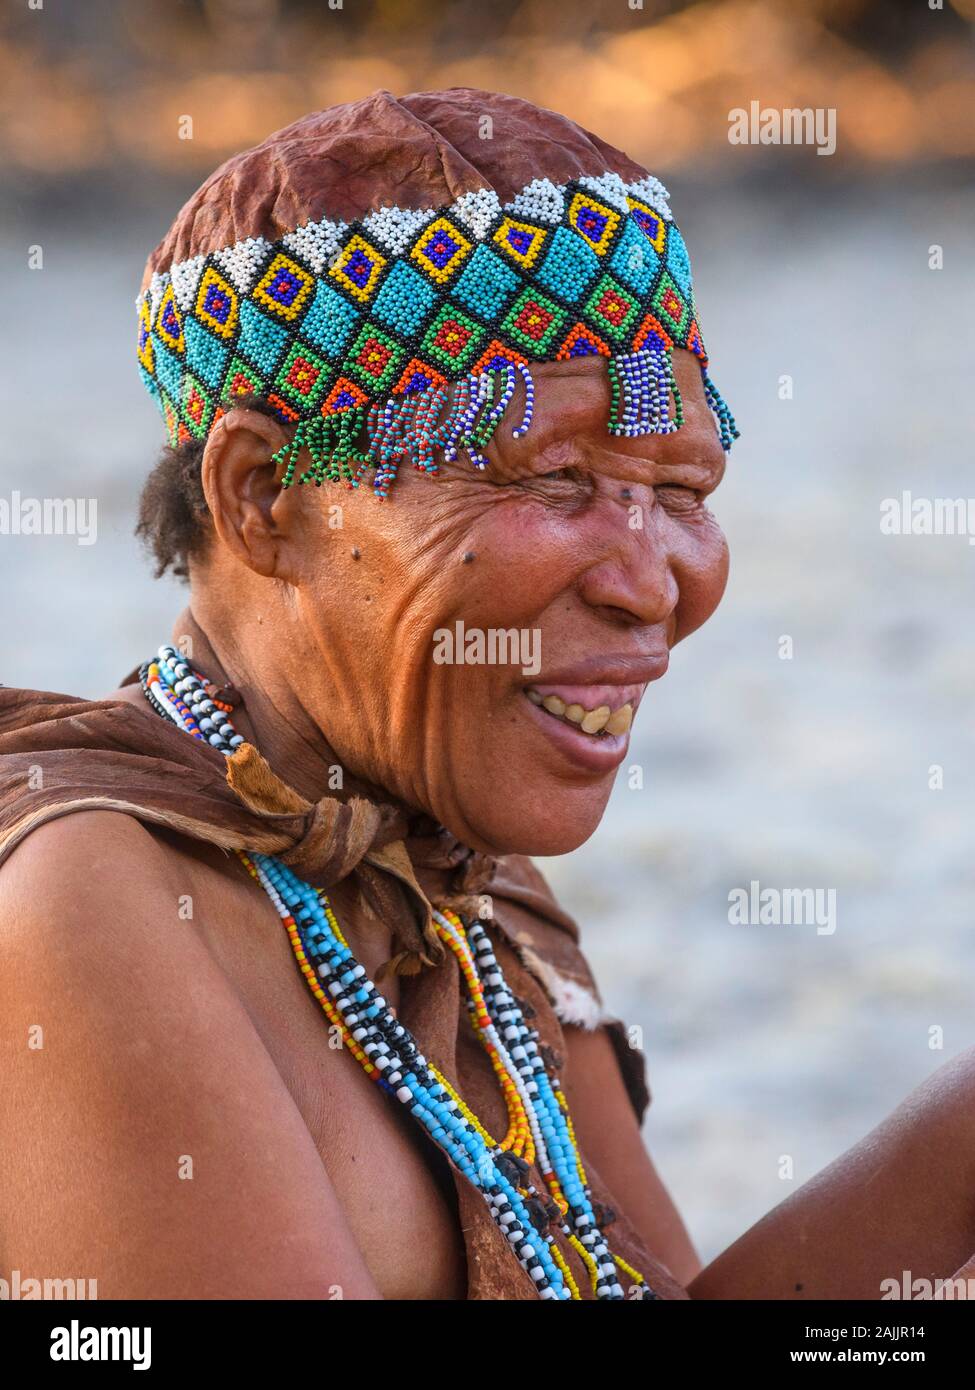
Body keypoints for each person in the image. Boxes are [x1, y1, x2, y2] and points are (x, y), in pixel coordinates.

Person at [1, 89, 972, 1302]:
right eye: (560, 476)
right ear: (262, 498)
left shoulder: (468, 880)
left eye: (680, 490)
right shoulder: (91, 900)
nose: (650, 582)